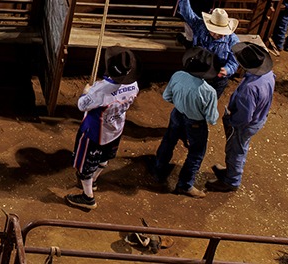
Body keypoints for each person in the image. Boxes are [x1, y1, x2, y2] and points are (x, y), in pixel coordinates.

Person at [66, 48, 139, 210]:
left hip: (95, 132)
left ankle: (88, 197)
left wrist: (86, 92)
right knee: (104, 157)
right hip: (115, 128)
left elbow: (82, 105)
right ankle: (94, 180)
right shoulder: (133, 85)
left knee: (85, 167)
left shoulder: (100, 90)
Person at [152, 48, 219, 197]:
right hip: (195, 123)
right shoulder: (209, 92)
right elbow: (211, 118)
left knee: (168, 141)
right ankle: (185, 185)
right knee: (196, 153)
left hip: (177, 114)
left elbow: (166, 96)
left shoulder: (178, 75)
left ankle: (158, 170)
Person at [210, 39, 274, 193]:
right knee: (239, 148)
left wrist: (231, 121)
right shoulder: (268, 74)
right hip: (259, 118)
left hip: (244, 124)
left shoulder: (250, 89)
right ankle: (231, 172)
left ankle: (231, 181)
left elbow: (244, 117)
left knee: (235, 150)